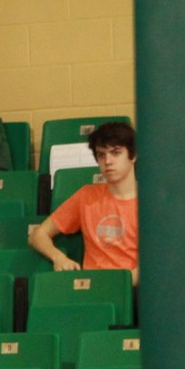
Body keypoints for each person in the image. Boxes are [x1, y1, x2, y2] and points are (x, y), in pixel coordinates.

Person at [30, 121, 139, 282]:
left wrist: (119, 284)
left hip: (131, 286)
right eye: (101, 155)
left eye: (115, 153)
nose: (108, 161)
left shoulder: (149, 203)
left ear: (133, 156)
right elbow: (38, 235)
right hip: (90, 285)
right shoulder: (86, 196)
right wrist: (58, 257)